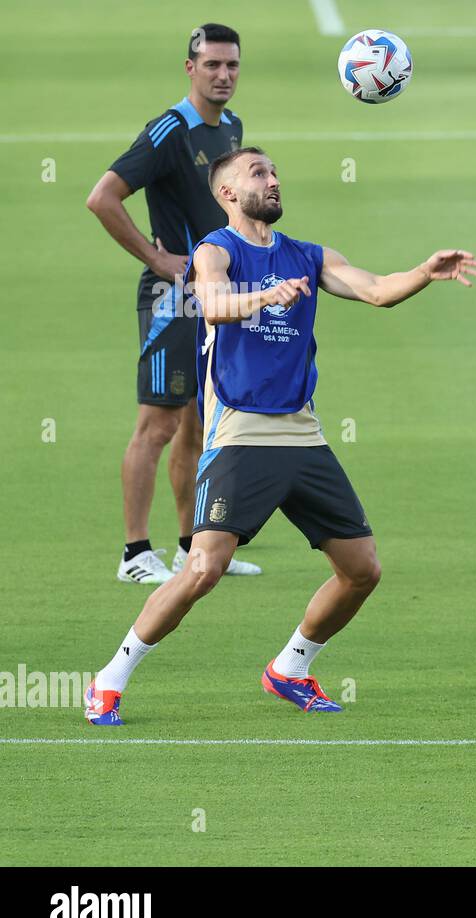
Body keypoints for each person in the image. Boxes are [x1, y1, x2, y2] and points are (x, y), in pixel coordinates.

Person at [83, 147, 476, 725]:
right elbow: (213, 304)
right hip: (240, 434)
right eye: (258, 174)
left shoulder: (306, 255)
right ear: (227, 194)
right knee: (202, 570)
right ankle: (109, 679)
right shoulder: (215, 251)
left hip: (302, 434)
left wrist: (424, 271)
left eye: (273, 172)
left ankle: (290, 668)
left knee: (362, 569)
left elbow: (374, 289)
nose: (272, 181)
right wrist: (264, 297)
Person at [87, 23, 262, 584]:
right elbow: (103, 197)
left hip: (214, 296)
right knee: (156, 426)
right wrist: (157, 258)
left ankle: (193, 549)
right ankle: (136, 553)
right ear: (190, 68)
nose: (223, 75)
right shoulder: (169, 131)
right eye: (211, 65)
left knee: (198, 425)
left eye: (231, 65)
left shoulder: (231, 126)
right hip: (173, 301)